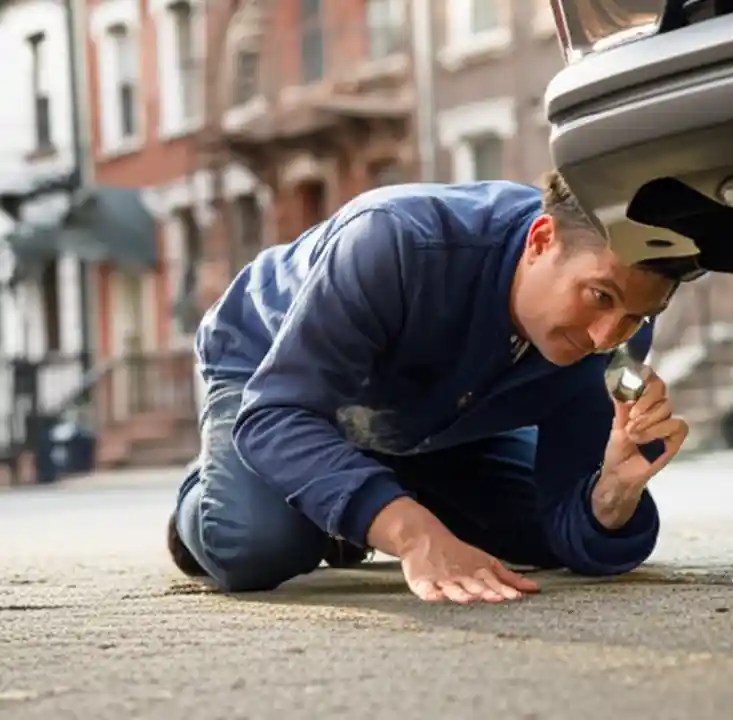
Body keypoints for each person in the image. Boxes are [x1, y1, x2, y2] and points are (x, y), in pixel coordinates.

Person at [166, 171, 701, 605]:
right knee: (257, 546)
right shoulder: (395, 242)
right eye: (600, 296)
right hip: (274, 374)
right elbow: (276, 414)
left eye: (635, 316)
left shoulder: (615, 332)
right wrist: (413, 533)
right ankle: (217, 485)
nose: (605, 336)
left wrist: (612, 489)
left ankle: (353, 490)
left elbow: (567, 506)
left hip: (434, 421)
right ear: (541, 241)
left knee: (543, 536)